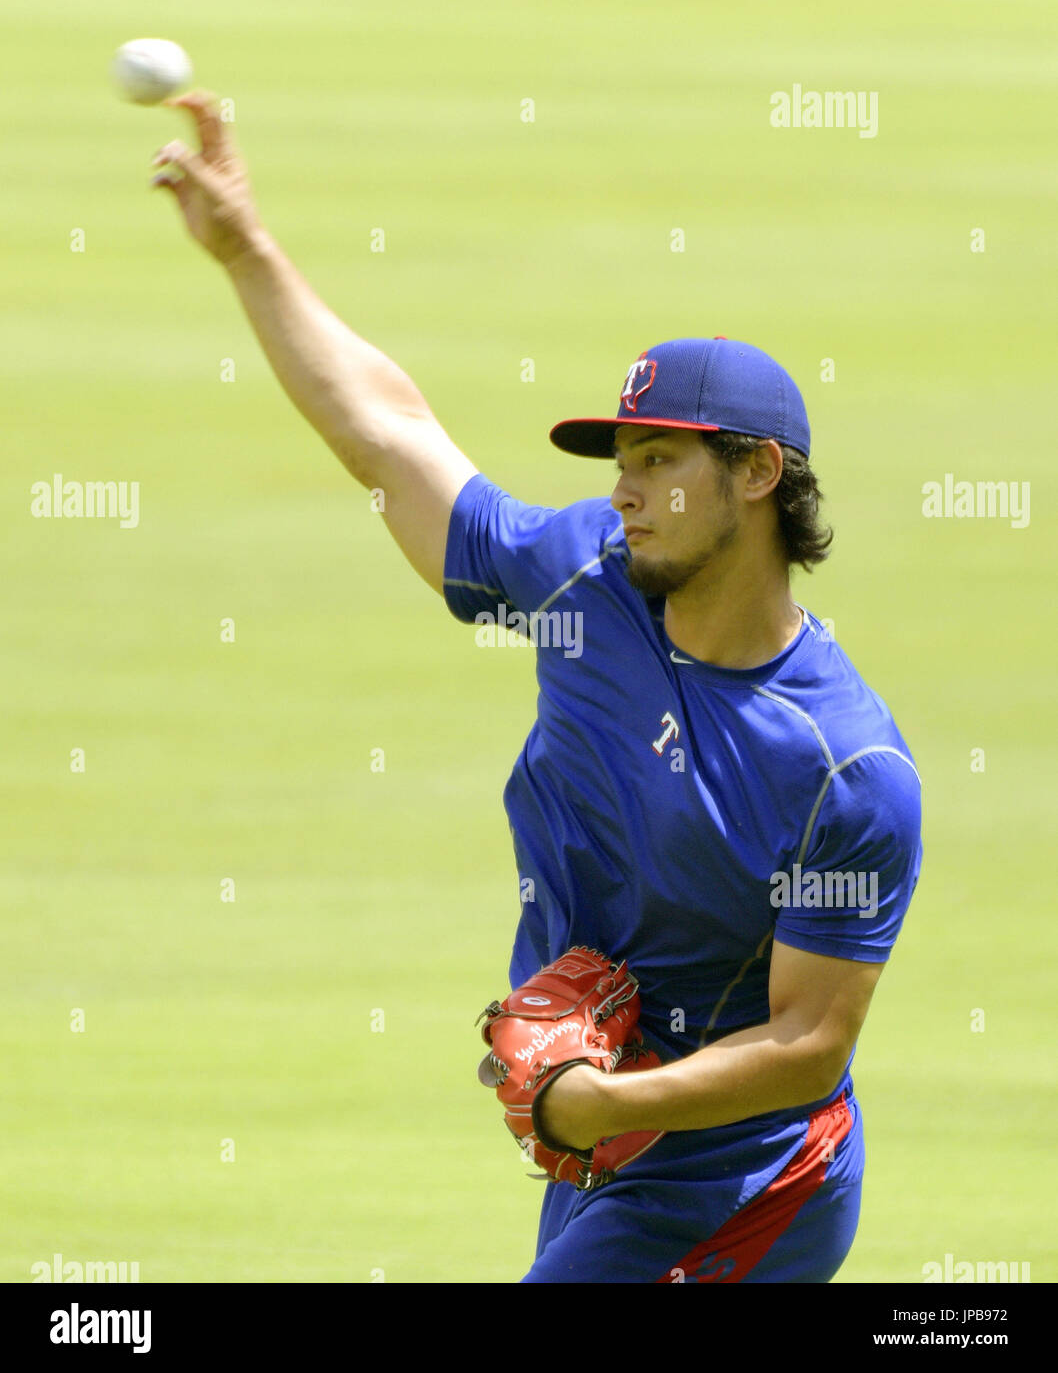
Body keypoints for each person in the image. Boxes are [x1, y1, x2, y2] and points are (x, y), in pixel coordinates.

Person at [151, 93, 923, 1284]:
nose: (624, 490)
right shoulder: (584, 582)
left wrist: (588, 1105)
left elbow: (807, 1043)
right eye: (621, 464)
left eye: (659, 462)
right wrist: (248, 250)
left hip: (742, 1180)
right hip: (602, 1136)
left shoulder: (843, 770)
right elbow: (389, 436)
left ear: (758, 473)